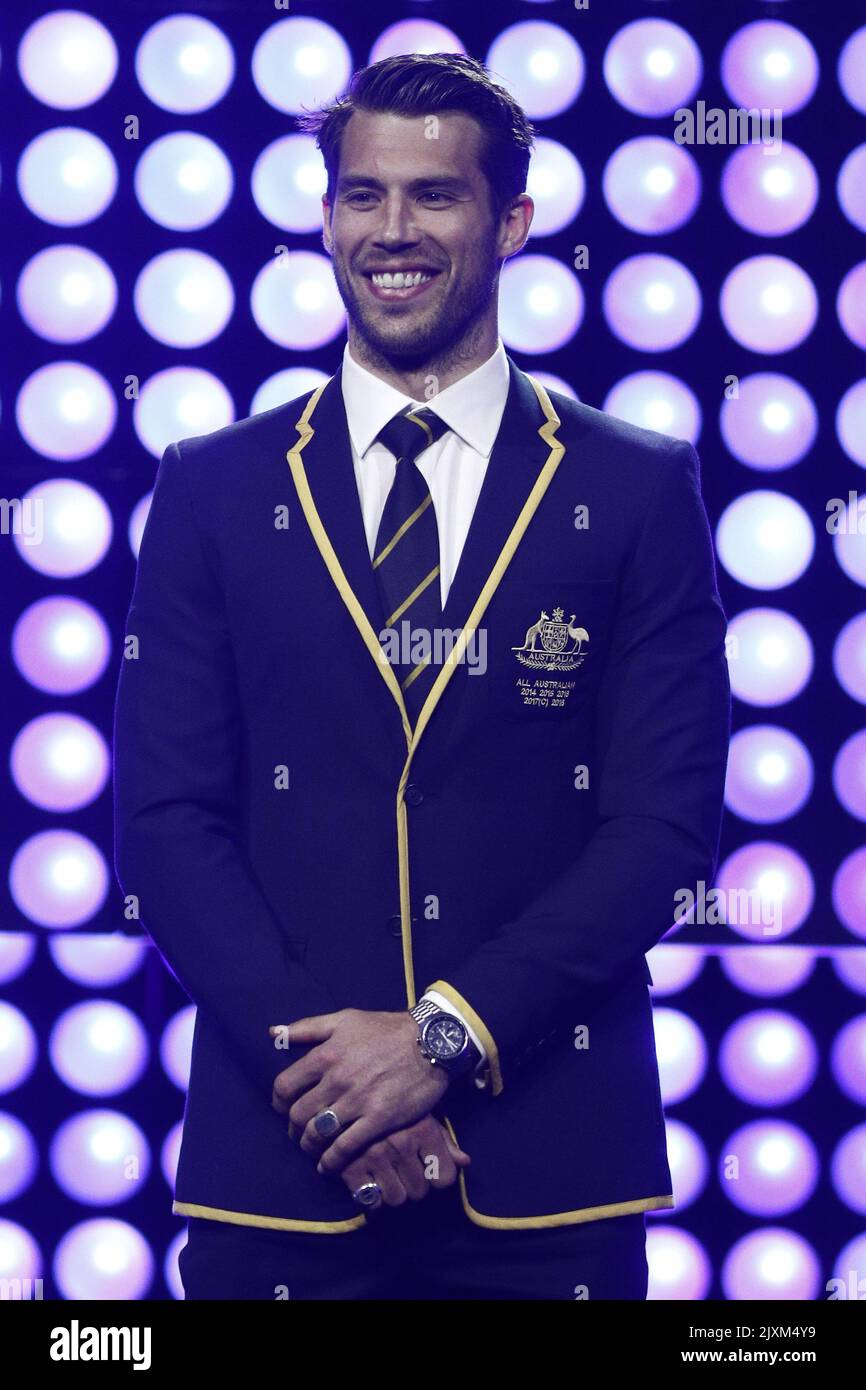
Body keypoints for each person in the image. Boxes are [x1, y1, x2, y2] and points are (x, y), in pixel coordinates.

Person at [113, 52, 731, 1301]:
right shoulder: (212, 486)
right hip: (276, 1182)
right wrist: (341, 1089)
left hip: (554, 1181)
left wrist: (443, 1039)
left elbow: (660, 824)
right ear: (326, 214)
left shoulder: (633, 485)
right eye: (360, 196)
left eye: (434, 197)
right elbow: (166, 822)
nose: (391, 231)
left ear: (509, 222)